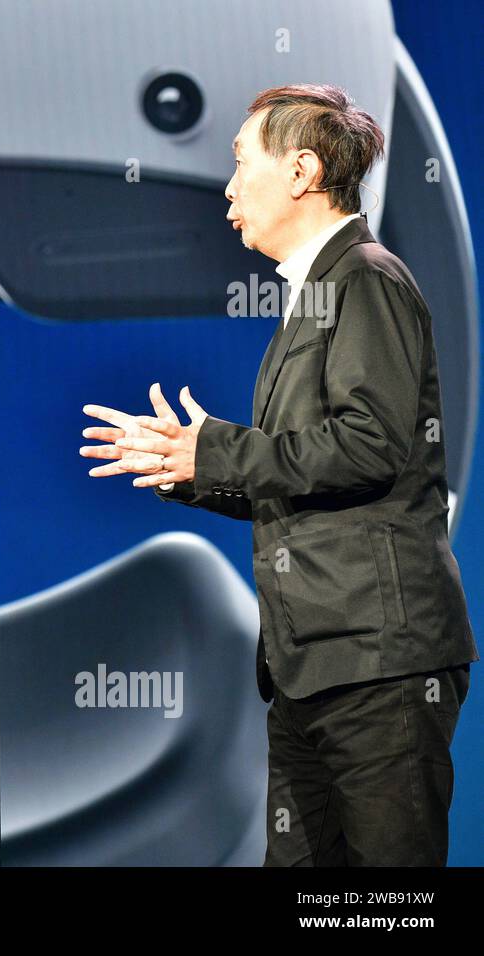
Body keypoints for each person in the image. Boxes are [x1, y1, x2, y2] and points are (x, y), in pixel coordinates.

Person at [80, 84, 476, 865]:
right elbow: (306, 479)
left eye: (238, 162)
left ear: (301, 171)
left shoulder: (366, 279)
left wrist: (218, 449)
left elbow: (371, 446)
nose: (226, 188)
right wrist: (187, 469)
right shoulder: (315, 297)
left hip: (377, 663)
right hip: (310, 669)